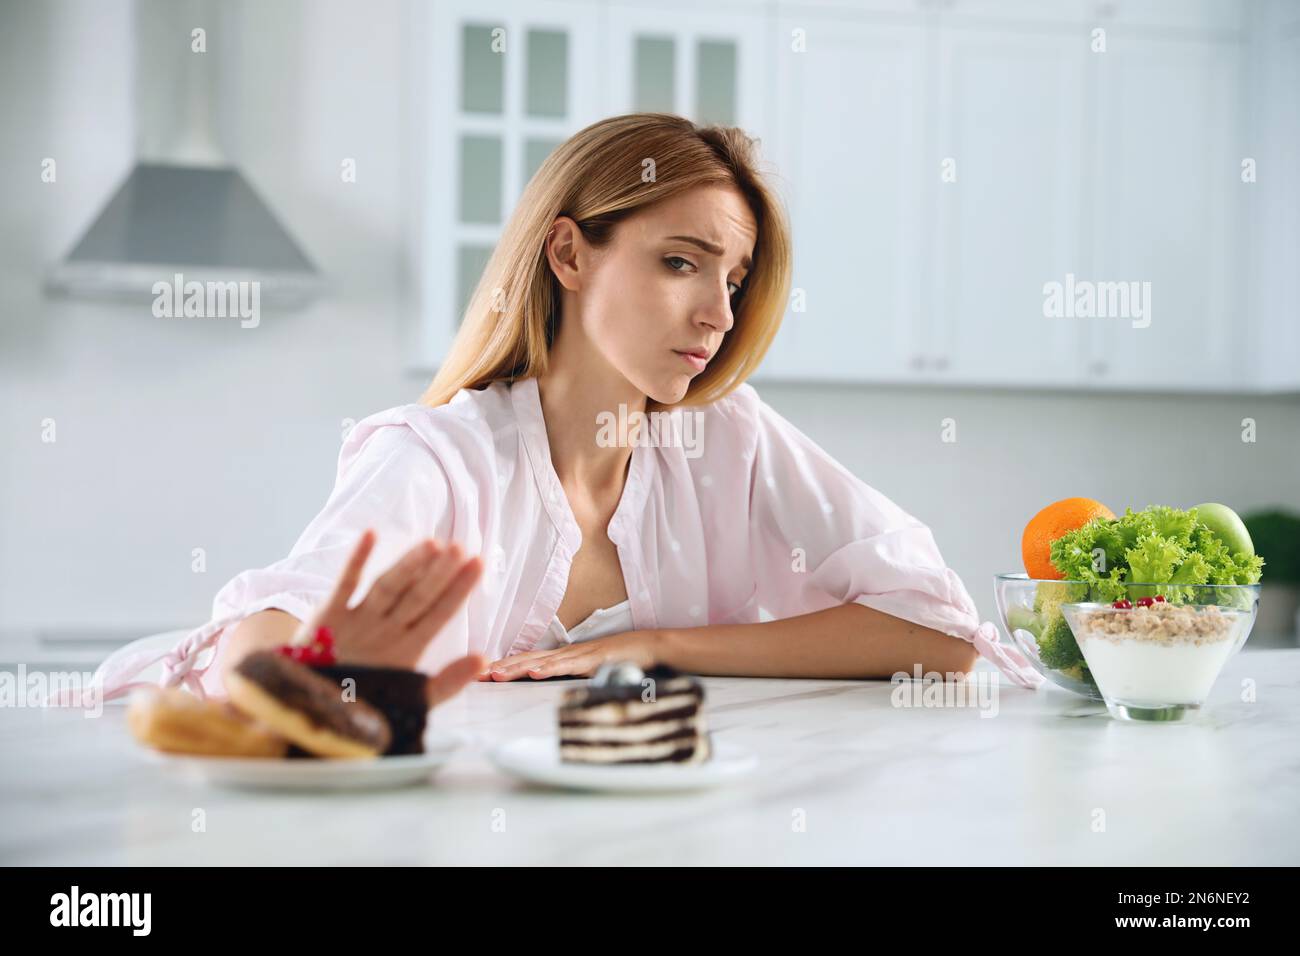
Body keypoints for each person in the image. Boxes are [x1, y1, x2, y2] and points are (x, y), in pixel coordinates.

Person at [92, 112, 1042, 705]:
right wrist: (316, 675)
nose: (719, 312)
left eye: (735, 276)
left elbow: (937, 638)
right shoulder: (436, 458)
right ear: (570, 255)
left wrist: (657, 644)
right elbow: (268, 630)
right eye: (681, 261)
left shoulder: (725, 436)